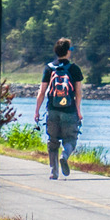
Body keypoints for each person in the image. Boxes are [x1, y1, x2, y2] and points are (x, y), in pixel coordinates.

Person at [32, 37, 83, 180]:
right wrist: (78, 112)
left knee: (52, 140)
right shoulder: (74, 69)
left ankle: (53, 172)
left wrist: (37, 111)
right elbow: (78, 93)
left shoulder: (49, 68)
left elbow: (42, 92)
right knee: (71, 139)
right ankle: (64, 155)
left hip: (52, 109)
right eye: (71, 49)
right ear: (67, 51)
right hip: (69, 110)